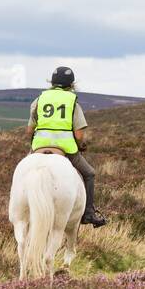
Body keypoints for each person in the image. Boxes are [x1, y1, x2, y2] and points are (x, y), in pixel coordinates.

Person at [25, 66, 107, 226]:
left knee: (23, 171)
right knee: (90, 174)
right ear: (71, 84)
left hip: (39, 146)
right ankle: (89, 214)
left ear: (52, 82)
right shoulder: (72, 102)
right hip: (65, 148)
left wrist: (35, 144)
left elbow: (29, 131)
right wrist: (80, 145)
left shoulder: (39, 100)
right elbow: (79, 135)